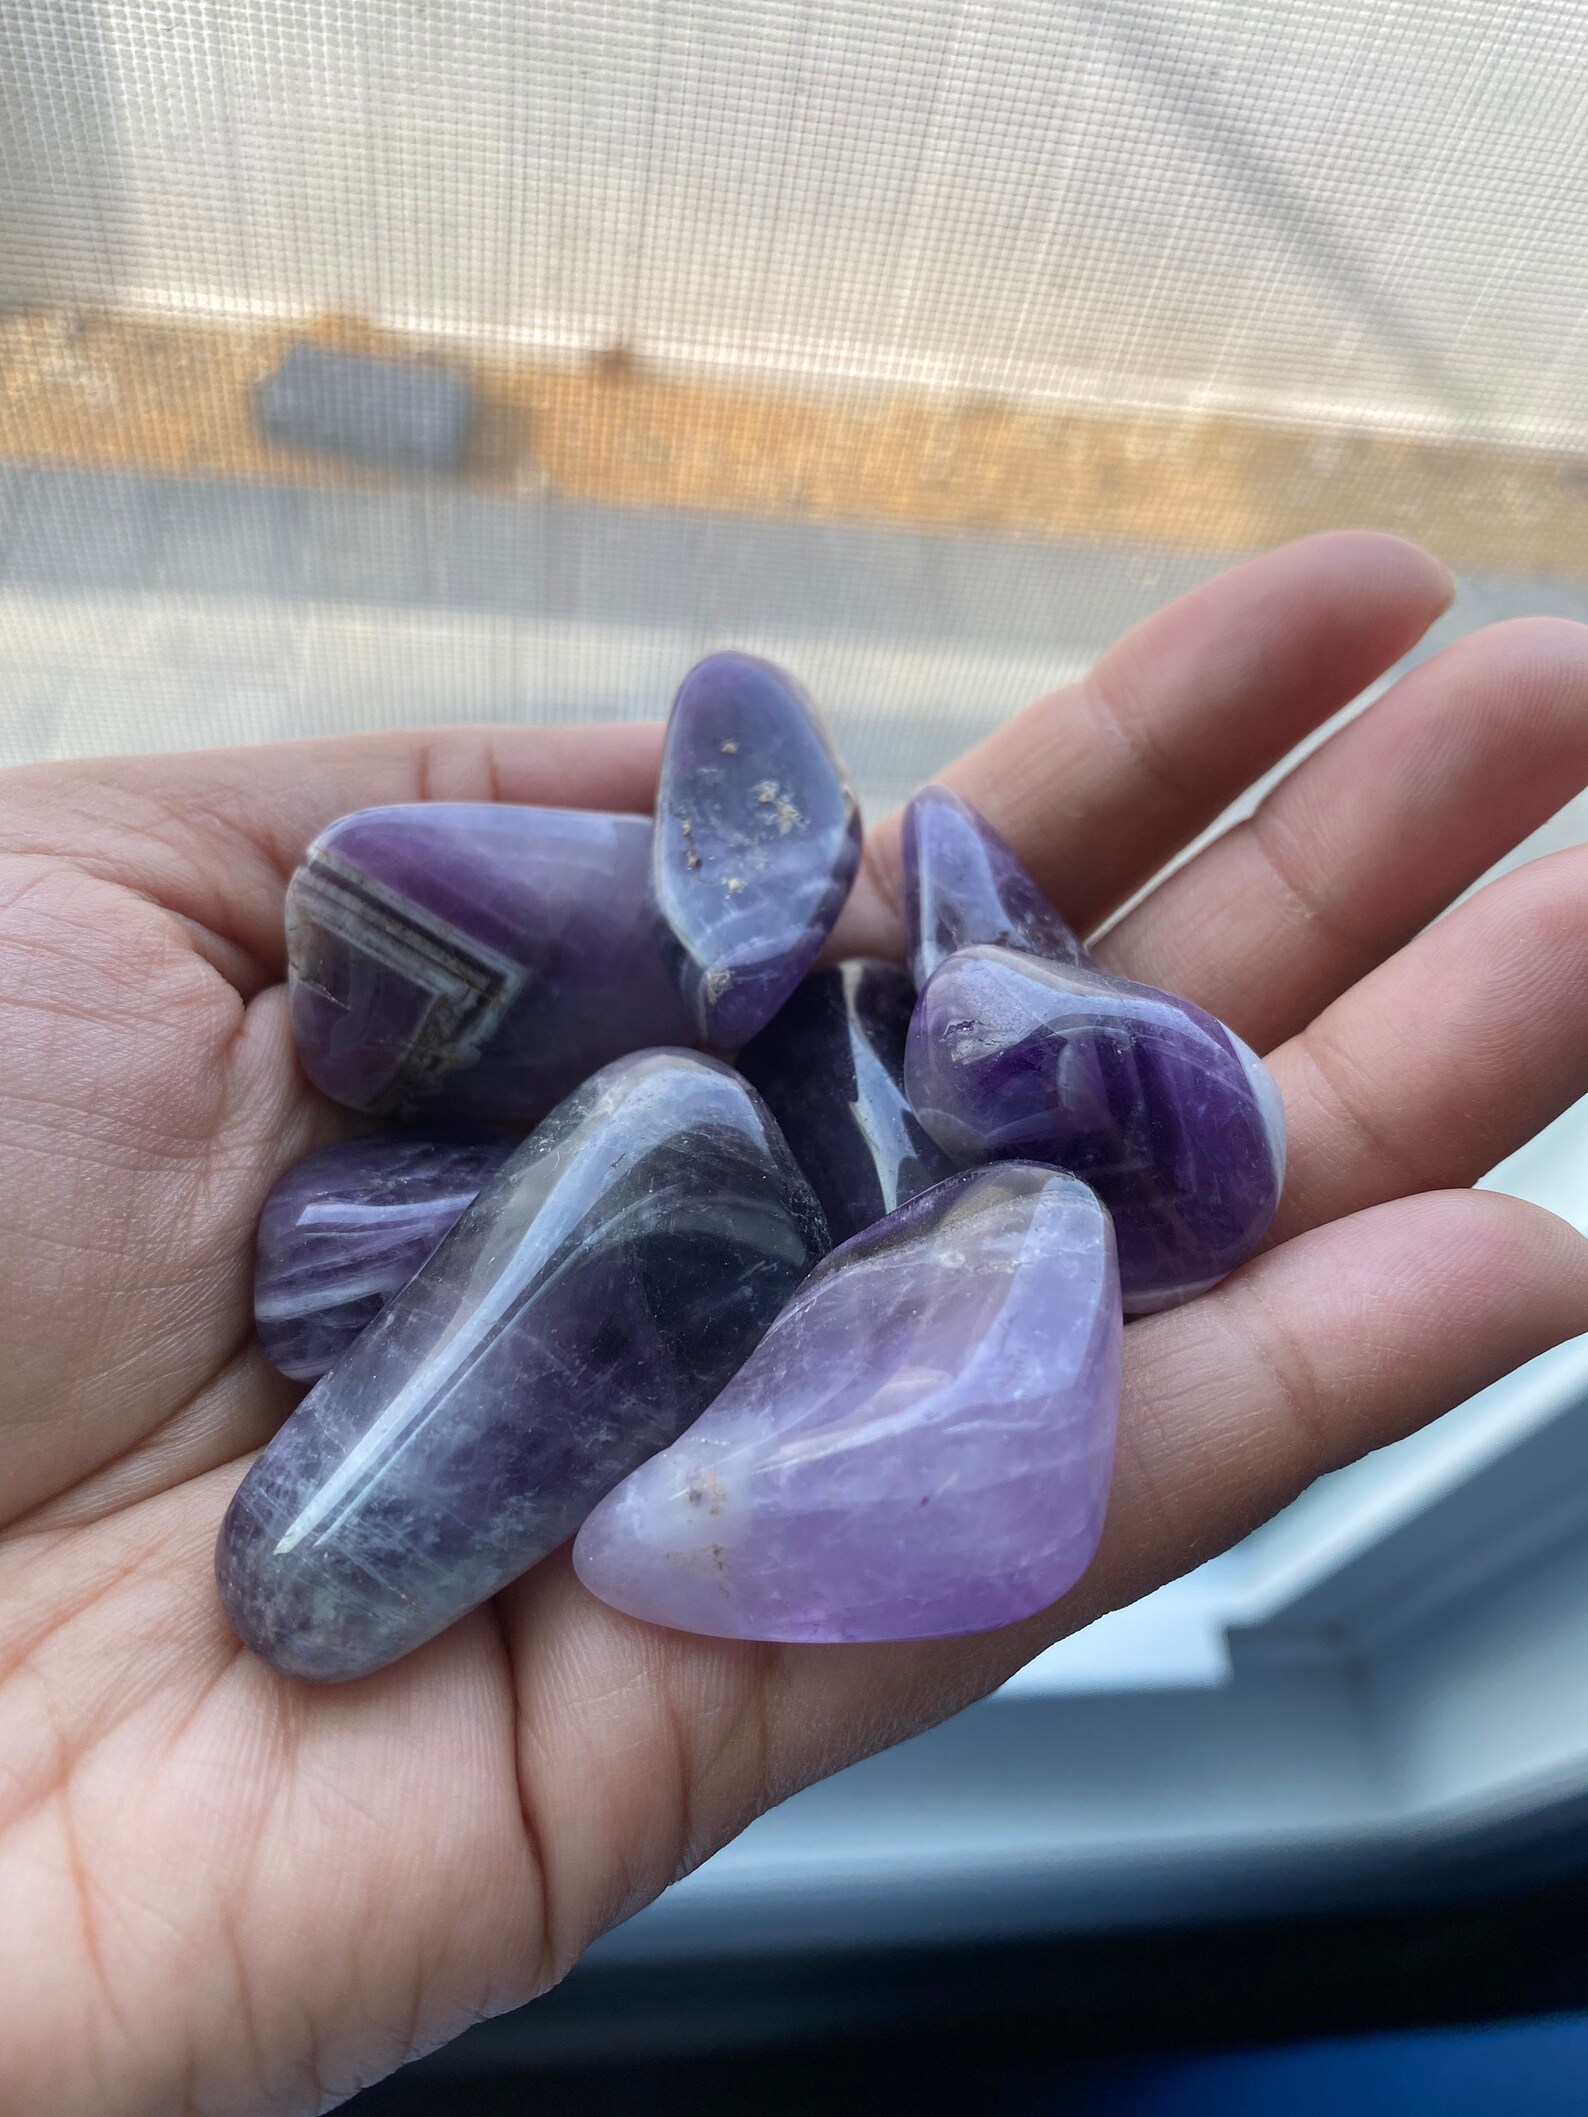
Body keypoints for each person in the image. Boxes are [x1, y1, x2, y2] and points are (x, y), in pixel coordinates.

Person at [2, 531, 1585, 2112]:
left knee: (676, 1142)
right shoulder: (740, 1130)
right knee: (664, 1146)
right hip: (591, 1313)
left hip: (704, 1284)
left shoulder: (879, 1145)